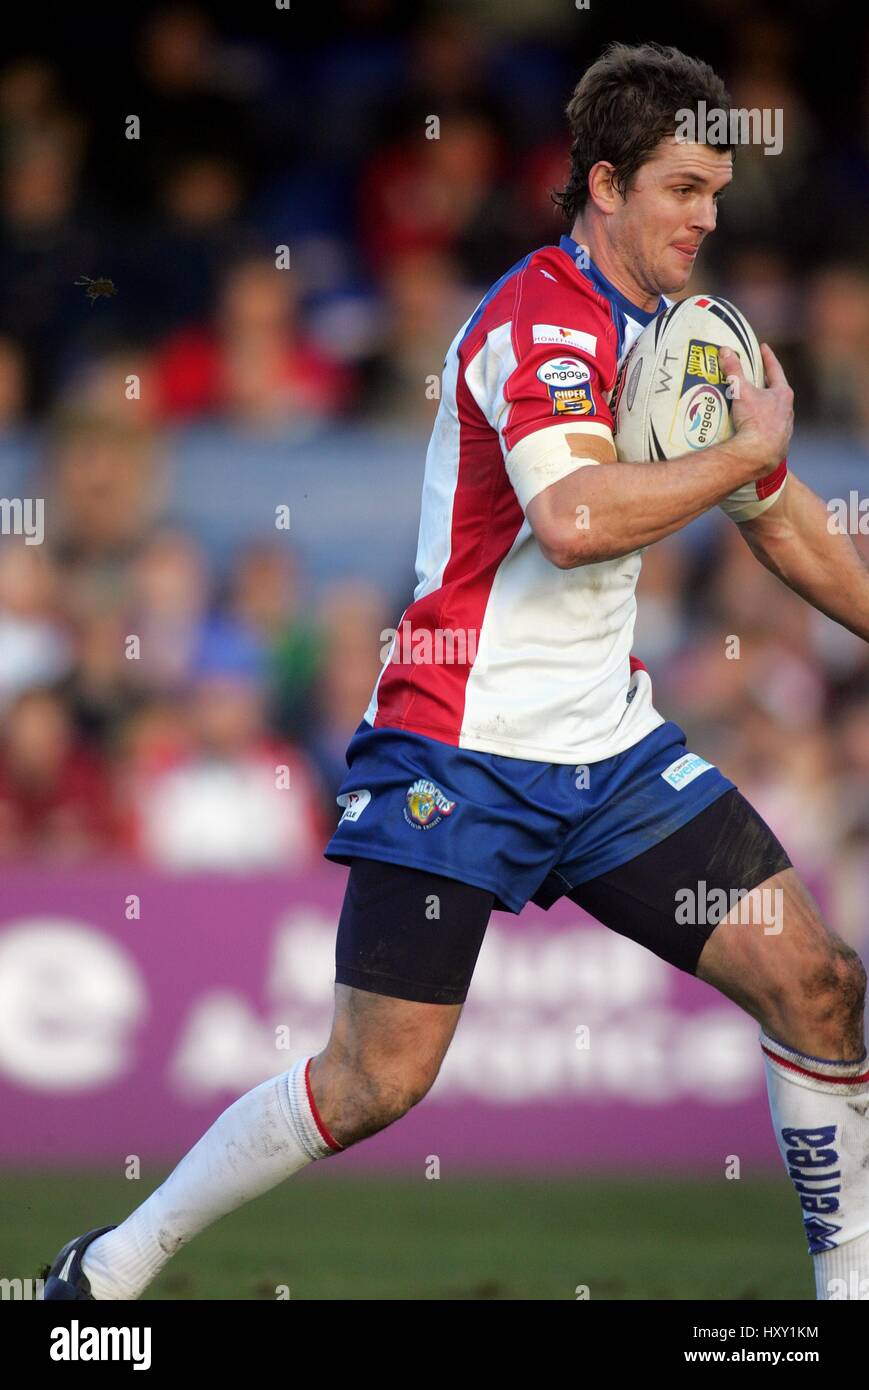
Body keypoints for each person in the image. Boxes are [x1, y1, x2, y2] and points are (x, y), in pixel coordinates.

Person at [41, 41, 869, 1303]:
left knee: (816, 985)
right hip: (454, 756)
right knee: (374, 1082)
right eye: (684, 189)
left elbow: (789, 519)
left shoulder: (692, 338)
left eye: (716, 190)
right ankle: (107, 1270)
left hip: (610, 758)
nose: (709, 216)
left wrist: (750, 463)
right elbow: (576, 519)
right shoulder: (538, 314)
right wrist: (739, 455)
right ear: (604, 183)